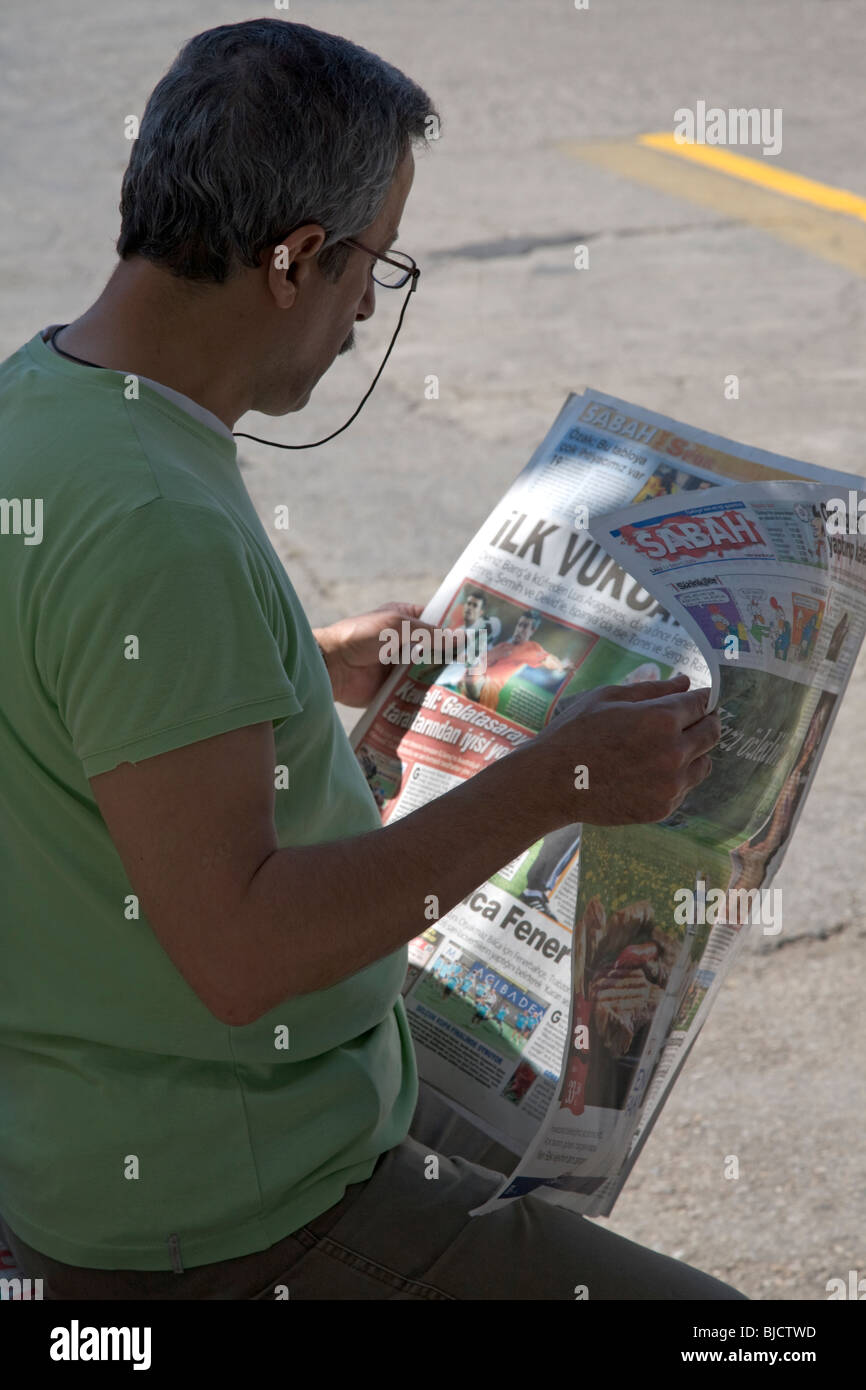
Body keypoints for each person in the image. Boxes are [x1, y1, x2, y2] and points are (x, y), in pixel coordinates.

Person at [0, 18, 738, 1300]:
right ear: (295, 260)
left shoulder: (43, 405)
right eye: (372, 270)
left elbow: (86, 702)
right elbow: (241, 955)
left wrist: (303, 667)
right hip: (234, 1208)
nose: (359, 317)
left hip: (88, 1138)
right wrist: (552, 783)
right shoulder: (156, 528)